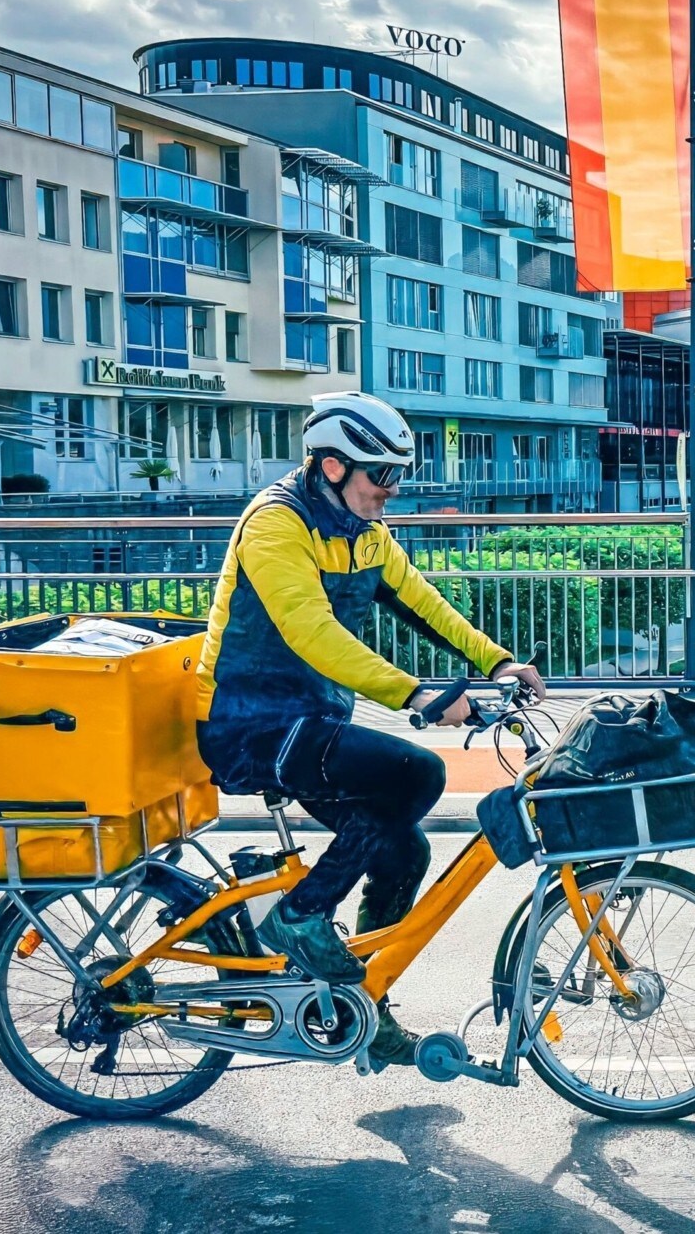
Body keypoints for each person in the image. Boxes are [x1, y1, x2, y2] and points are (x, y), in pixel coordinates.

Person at [194, 391, 544, 1069]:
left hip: (311, 722)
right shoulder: (275, 526)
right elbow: (313, 633)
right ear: (330, 467)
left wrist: (495, 659)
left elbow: (422, 602)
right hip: (248, 724)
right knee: (414, 773)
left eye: (398, 477)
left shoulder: (363, 534)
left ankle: (363, 1001)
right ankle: (300, 916)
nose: (391, 492)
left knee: (403, 850)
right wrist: (416, 695)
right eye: (379, 476)